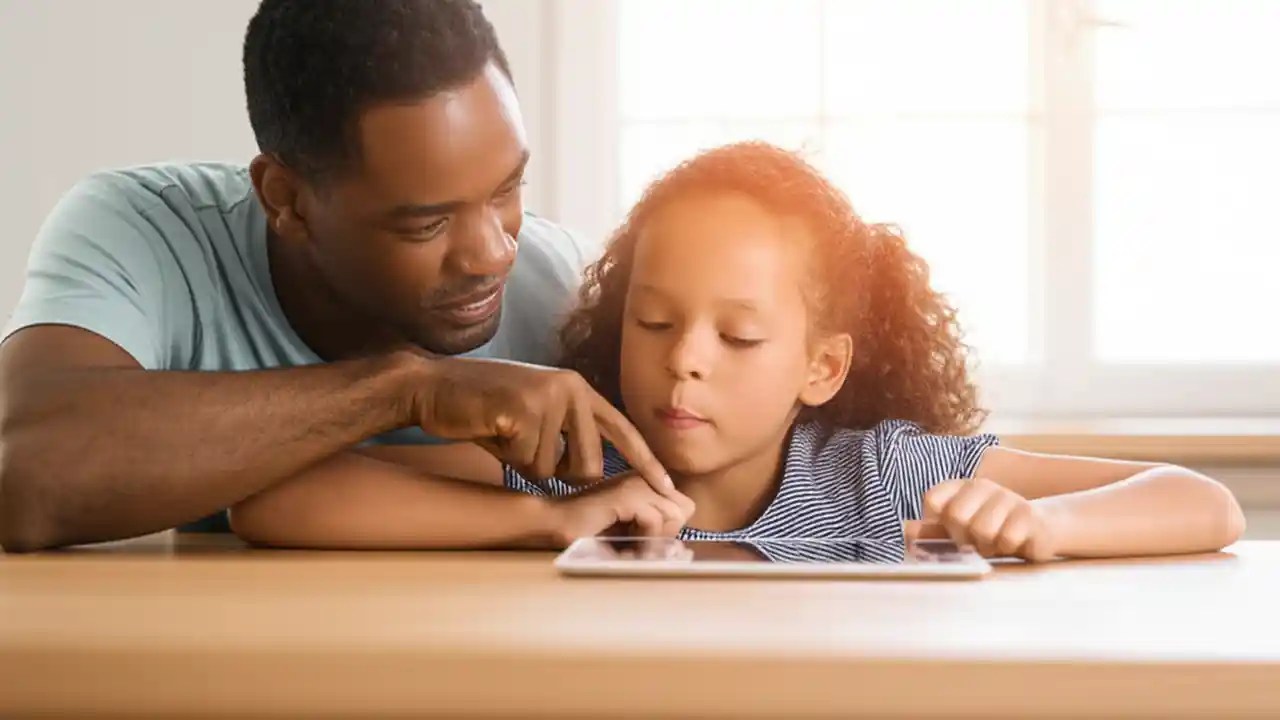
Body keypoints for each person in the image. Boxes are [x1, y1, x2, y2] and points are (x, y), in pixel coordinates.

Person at [231, 143, 1245, 561]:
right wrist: (551, 521)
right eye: (654, 323)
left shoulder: (880, 474)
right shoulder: (582, 460)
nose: (685, 364)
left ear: (822, 368)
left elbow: (1202, 503)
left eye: (740, 335)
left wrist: (1039, 522)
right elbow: (274, 500)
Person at [0, 0, 676, 553]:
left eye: (508, 187)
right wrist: (405, 389)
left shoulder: (568, 290)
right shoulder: (144, 234)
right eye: (426, 224)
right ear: (287, 199)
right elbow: (24, 474)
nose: (494, 253)